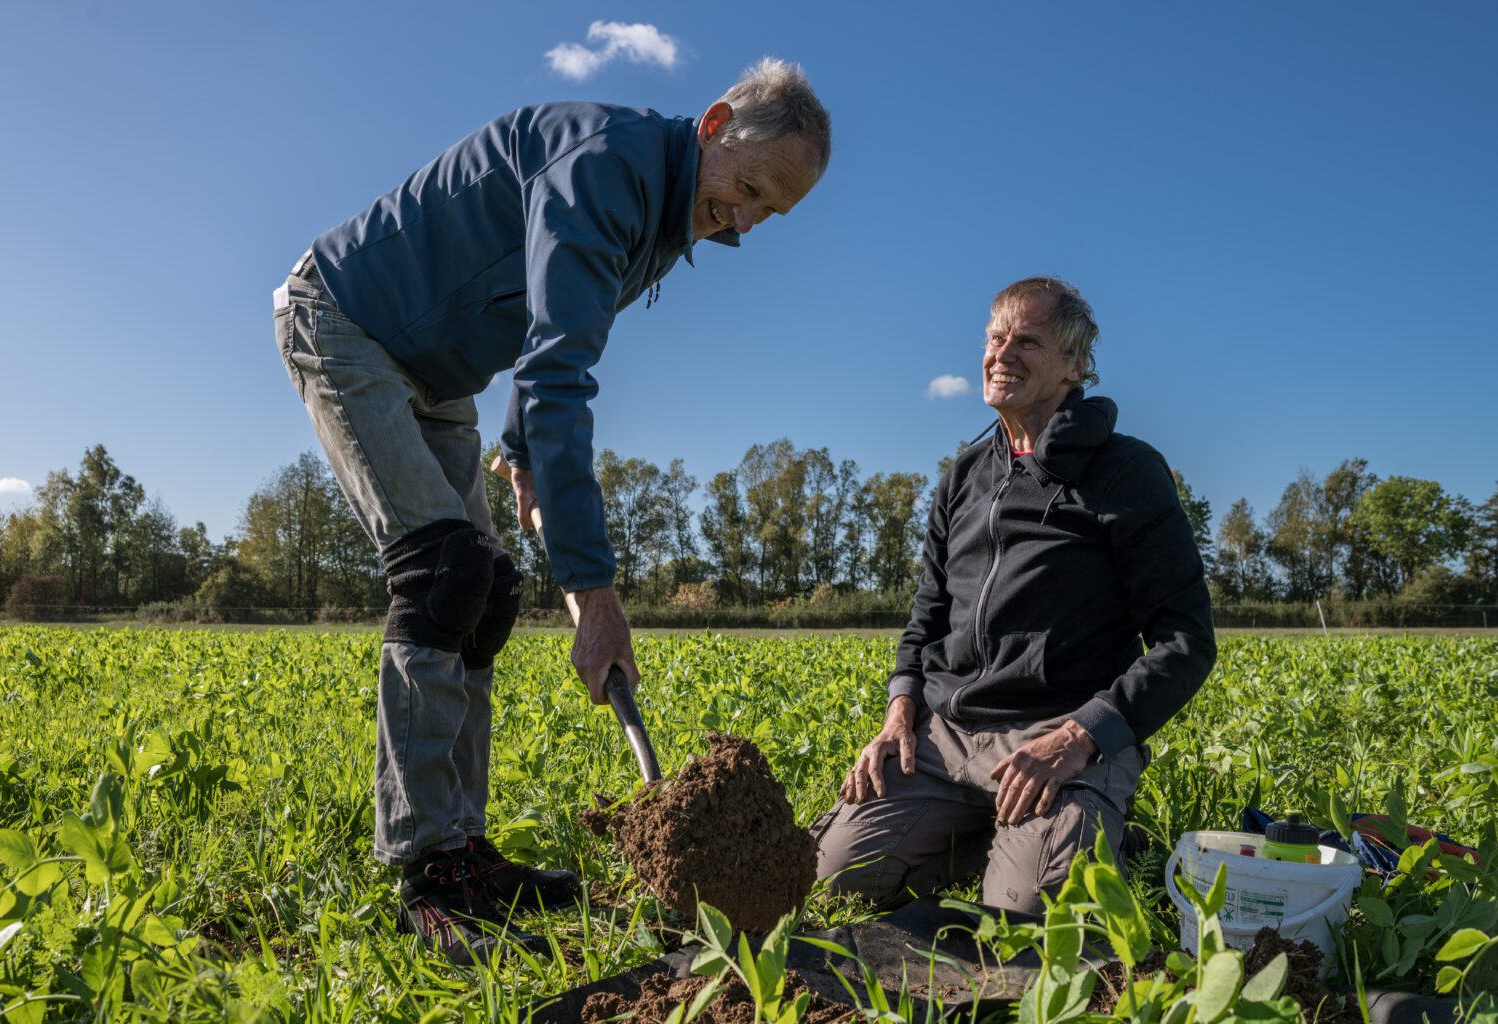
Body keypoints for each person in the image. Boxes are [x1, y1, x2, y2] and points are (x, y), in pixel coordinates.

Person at [271, 60, 830, 961]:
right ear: (717, 124)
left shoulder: (670, 210)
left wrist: (523, 450)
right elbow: (560, 373)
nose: (750, 220)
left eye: (774, 213)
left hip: (440, 373)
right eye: (751, 189)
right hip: (347, 322)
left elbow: (548, 343)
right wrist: (595, 593)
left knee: (487, 588)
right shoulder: (610, 168)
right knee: (442, 573)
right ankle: (424, 876)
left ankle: (462, 849)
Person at [812, 277, 1215, 916]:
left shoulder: (1125, 471)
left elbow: (1184, 641)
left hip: (1057, 733)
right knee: (835, 877)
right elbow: (926, 619)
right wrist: (899, 716)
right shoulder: (964, 477)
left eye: (1028, 341)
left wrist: (1081, 736)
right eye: (996, 337)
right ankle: (983, 831)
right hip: (947, 737)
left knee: (1028, 914)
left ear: (1076, 365)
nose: (1003, 354)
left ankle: (1079, 817)